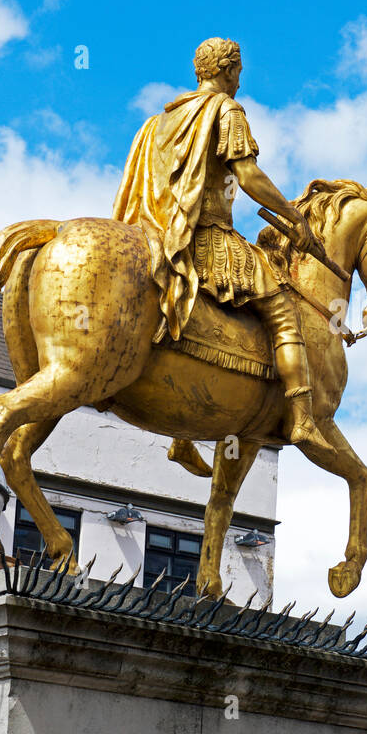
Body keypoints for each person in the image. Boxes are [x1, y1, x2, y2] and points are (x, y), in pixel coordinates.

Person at [112, 37, 331, 453]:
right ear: (228, 71)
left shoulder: (157, 122)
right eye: (238, 71)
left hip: (155, 234)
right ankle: (303, 418)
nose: (239, 79)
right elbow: (247, 177)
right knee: (284, 312)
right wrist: (293, 216)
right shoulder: (226, 111)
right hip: (206, 236)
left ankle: (186, 429)